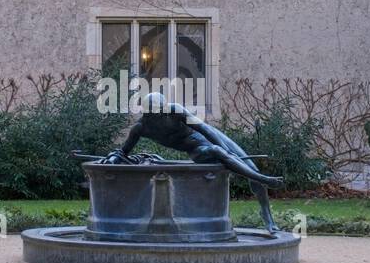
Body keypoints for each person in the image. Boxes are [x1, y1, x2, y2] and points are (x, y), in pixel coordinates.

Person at [105, 92, 282, 233]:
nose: (157, 115)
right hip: (197, 150)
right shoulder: (141, 128)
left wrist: (225, 149)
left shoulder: (176, 111)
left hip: (211, 137)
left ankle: (266, 213)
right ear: (146, 112)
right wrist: (112, 159)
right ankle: (264, 179)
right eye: (152, 113)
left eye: (159, 111)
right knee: (217, 152)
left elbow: (203, 128)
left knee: (248, 166)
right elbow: (123, 152)